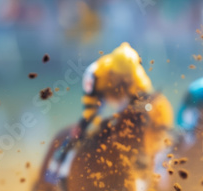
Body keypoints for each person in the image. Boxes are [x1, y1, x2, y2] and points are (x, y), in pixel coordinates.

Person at [45, 42, 153, 182]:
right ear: (111, 72)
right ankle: (60, 161)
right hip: (101, 93)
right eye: (119, 77)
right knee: (87, 126)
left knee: (139, 122)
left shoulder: (139, 79)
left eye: (126, 78)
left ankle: (144, 168)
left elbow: (146, 103)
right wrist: (95, 124)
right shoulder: (94, 75)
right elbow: (90, 111)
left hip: (125, 97)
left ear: (132, 74)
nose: (122, 81)